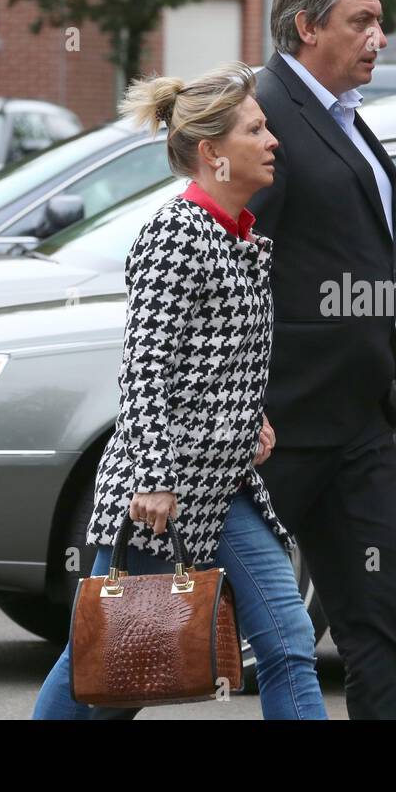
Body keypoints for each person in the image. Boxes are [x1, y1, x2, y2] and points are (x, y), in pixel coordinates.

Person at [32, 61, 328, 720]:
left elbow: (213, 359)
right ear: (211, 152)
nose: (273, 140)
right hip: (158, 500)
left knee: (287, 641)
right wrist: (154, 478)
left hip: (224, 488)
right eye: (256, 129)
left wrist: (248, 417)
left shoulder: (236, 236)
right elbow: (145, 368)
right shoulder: (176, 235)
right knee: (109, 664)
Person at [247, 0, 396, 720]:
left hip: (356, 419)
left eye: (380, 21)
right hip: (277, 424)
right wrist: (241, 403)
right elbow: (232, 271)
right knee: (165, 610)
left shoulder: (342, 117)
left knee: (384, 616)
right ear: (306, 26)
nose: (379, 37)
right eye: (361, 21)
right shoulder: (261, 117)